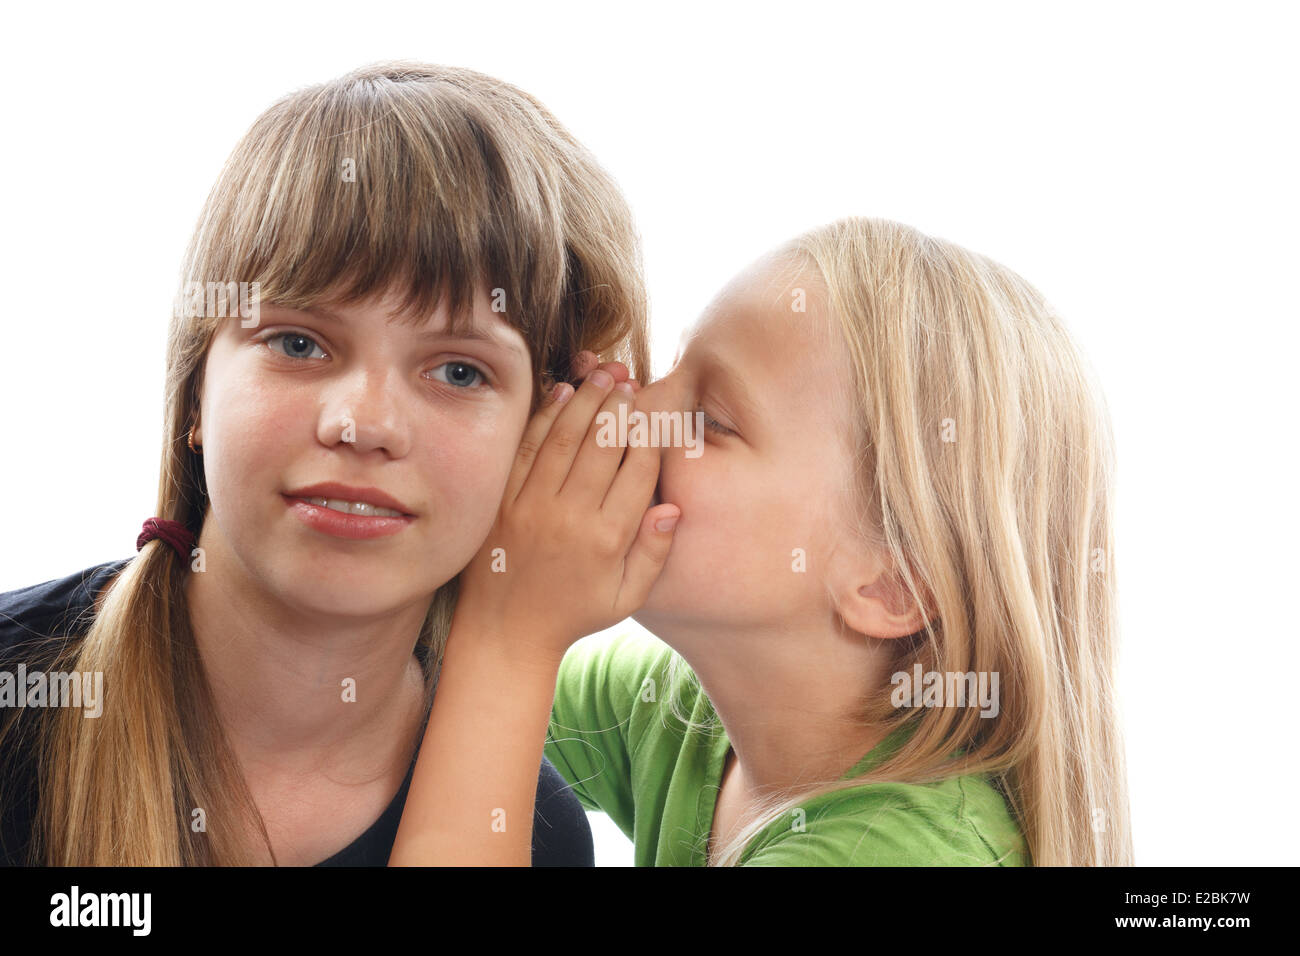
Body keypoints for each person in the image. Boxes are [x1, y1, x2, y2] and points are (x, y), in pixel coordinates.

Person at [0, 61, 651, 866]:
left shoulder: (534, 830)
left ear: (539, 438)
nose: (363, 424)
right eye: (299, 343)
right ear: (196, 394)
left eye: (458, 371)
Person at [390, 217, 1133, 866]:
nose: (634, 409)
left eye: (710, 419)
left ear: (889, 587)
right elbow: (433, 713)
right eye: (669, 371)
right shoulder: (684, 716)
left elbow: (487, 684)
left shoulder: (896, 852)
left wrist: (510, 637)